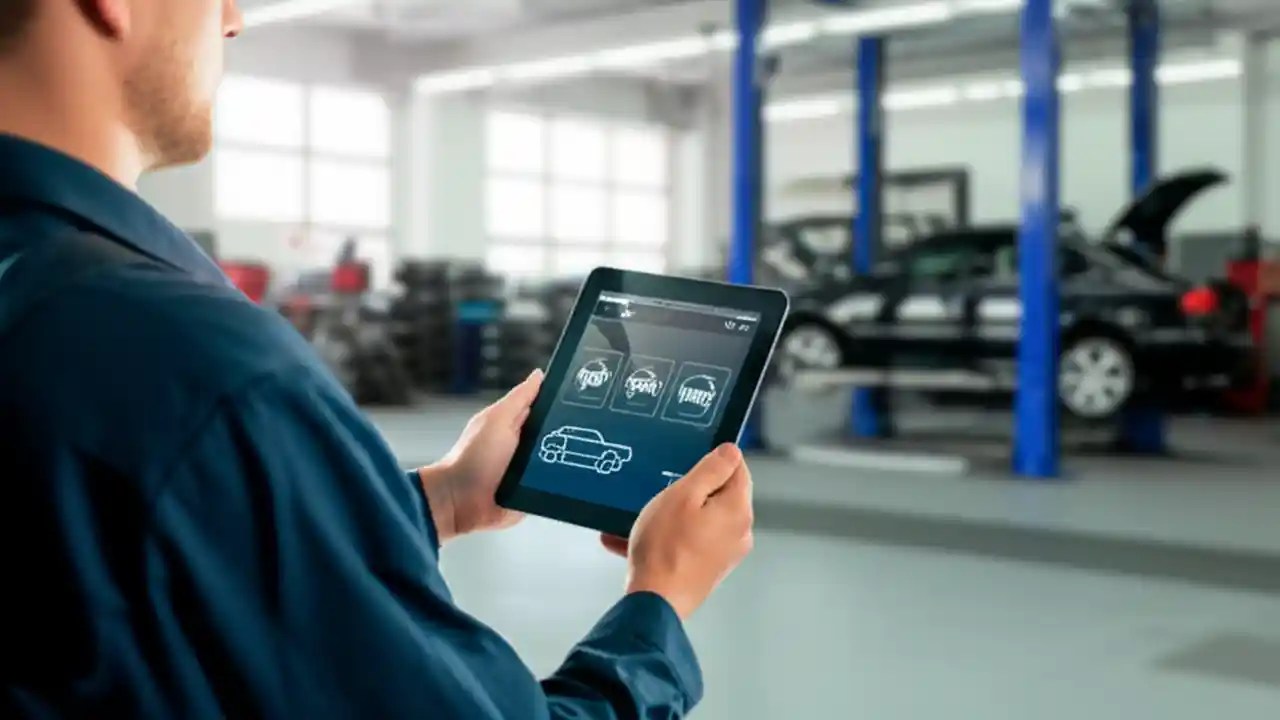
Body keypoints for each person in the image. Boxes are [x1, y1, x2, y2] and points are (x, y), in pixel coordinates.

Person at [0, 1, 755, 717]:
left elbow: (140, 558)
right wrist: (660, 598)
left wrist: (444, 498)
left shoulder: (58, 305)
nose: (231, 21)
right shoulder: (207, 369)